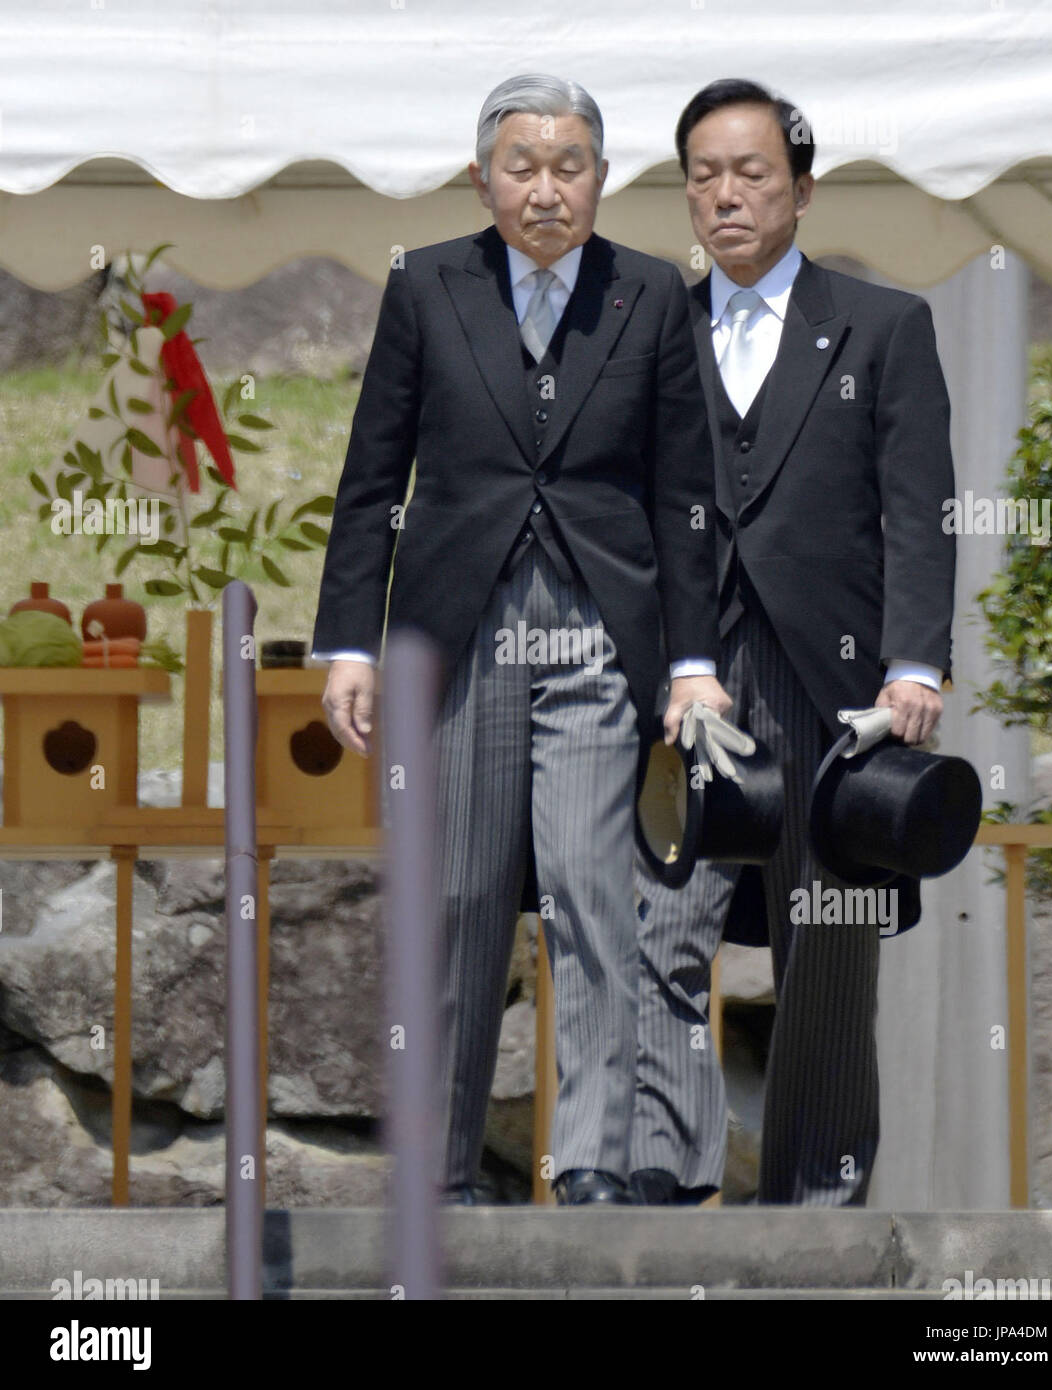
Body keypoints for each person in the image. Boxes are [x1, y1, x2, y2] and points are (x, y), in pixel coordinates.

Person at [312, 74, 730, 1206]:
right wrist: (347, 640)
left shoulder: (651, 294)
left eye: (571, 165)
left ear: (601, 174)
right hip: (461, 633)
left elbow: (689, 495)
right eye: (523, 166)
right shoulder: (425, 286)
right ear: (481, 174)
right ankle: (439, 1176)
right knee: (457, 898)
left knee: (595, 897)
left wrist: (692, 663)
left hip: (600, 630)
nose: (547, 189)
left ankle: (591, 1161)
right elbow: (370, 479)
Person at [629, 79, 956, 1207]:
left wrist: (915, 661)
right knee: (658, 936)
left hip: (838, 697)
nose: (725, 194)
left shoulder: (886, 326)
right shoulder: (650, 327)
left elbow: (917, 508)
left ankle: (818, 1218)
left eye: (751, 171)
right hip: (691, 686)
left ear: (803, 190)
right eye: (704, 174)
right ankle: (667, 1195)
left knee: (826, 964)